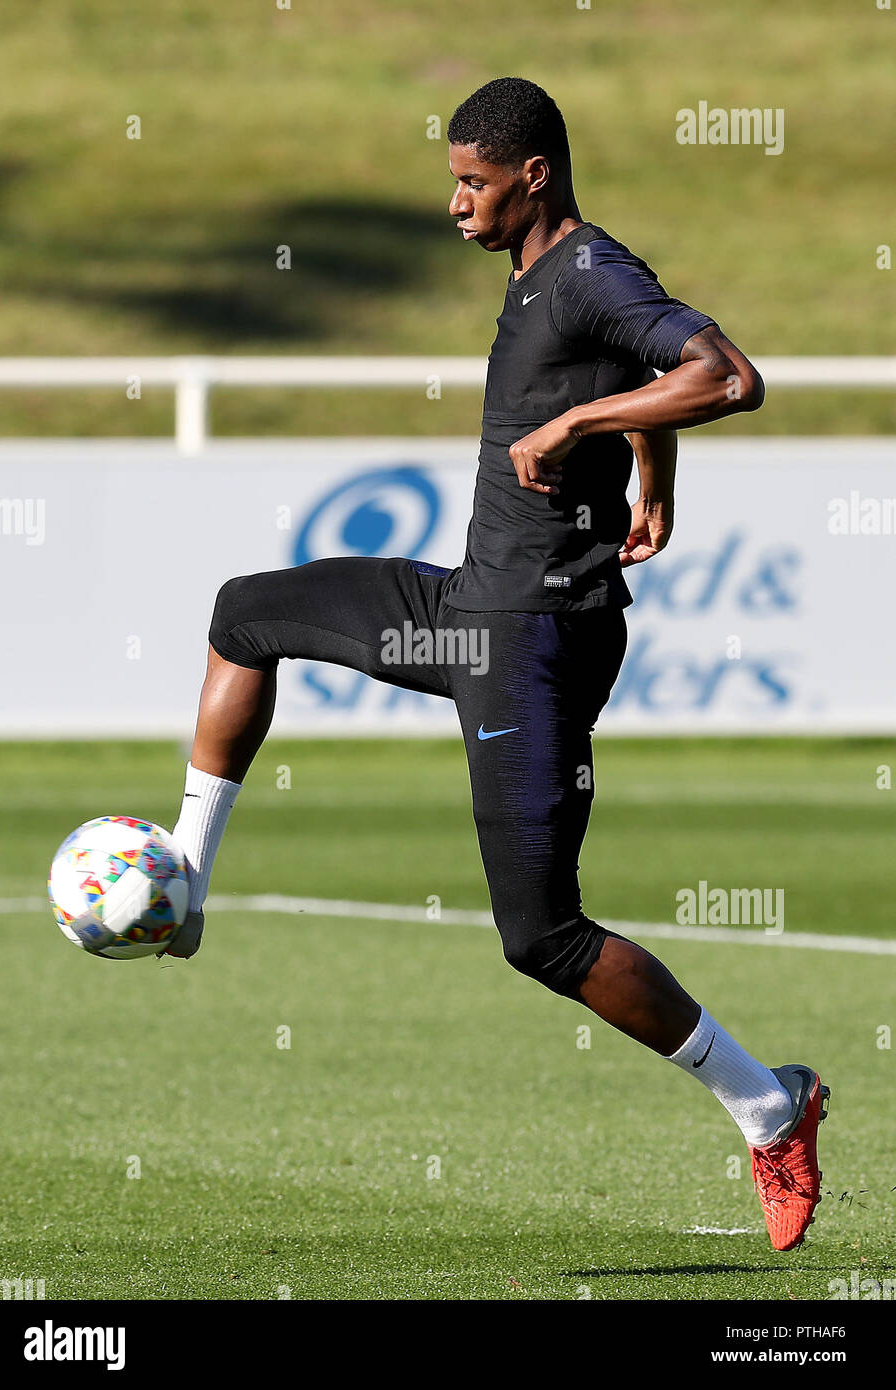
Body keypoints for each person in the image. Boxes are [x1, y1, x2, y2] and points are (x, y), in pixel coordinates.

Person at [166, 77, 828, 1251]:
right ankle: (186, 883)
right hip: (470, 612)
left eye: (472, 182)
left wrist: (577, 430)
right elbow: (640, 369)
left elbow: (729, 374)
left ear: (533, 175)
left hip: (532, 640)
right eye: (452, 179)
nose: (455, 202)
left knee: (542, 938)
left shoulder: (587, 271)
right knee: (245, 615)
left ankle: (770, 1106)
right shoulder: (543, 278)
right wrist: (653, 475)